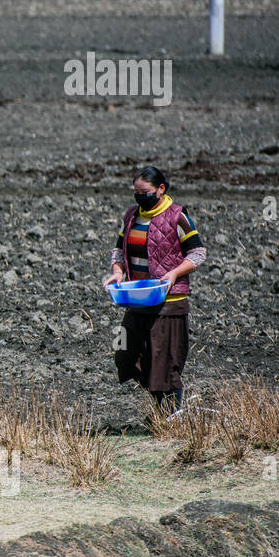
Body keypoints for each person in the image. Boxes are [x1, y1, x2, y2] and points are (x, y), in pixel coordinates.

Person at [105, 165, 207, 417]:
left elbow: (197, 252)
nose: (141, 197)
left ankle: (171, 415)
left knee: (164, 360)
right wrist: (118, 272)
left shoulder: (177, 216)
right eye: (136, 192)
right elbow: (119, 250)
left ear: (161, 189)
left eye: (146, 192)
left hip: (168, 300)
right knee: (127, 355)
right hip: (137, 297)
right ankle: (161, 410)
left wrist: (173, 273)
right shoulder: (131, 216)